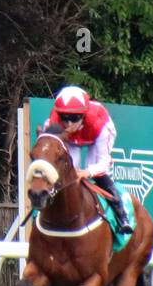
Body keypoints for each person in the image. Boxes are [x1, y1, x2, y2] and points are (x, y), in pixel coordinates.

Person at [44, 85, 132, 232]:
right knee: (66, 171)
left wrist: (86, 172)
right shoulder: (53, 122)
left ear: (83, 115)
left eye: (73, 118)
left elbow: (103, 163)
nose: (68, 124)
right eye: (64, 118)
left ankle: (122, 215)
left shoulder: (100, 123)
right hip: (71, 140)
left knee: (96, 171)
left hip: (95, 136)